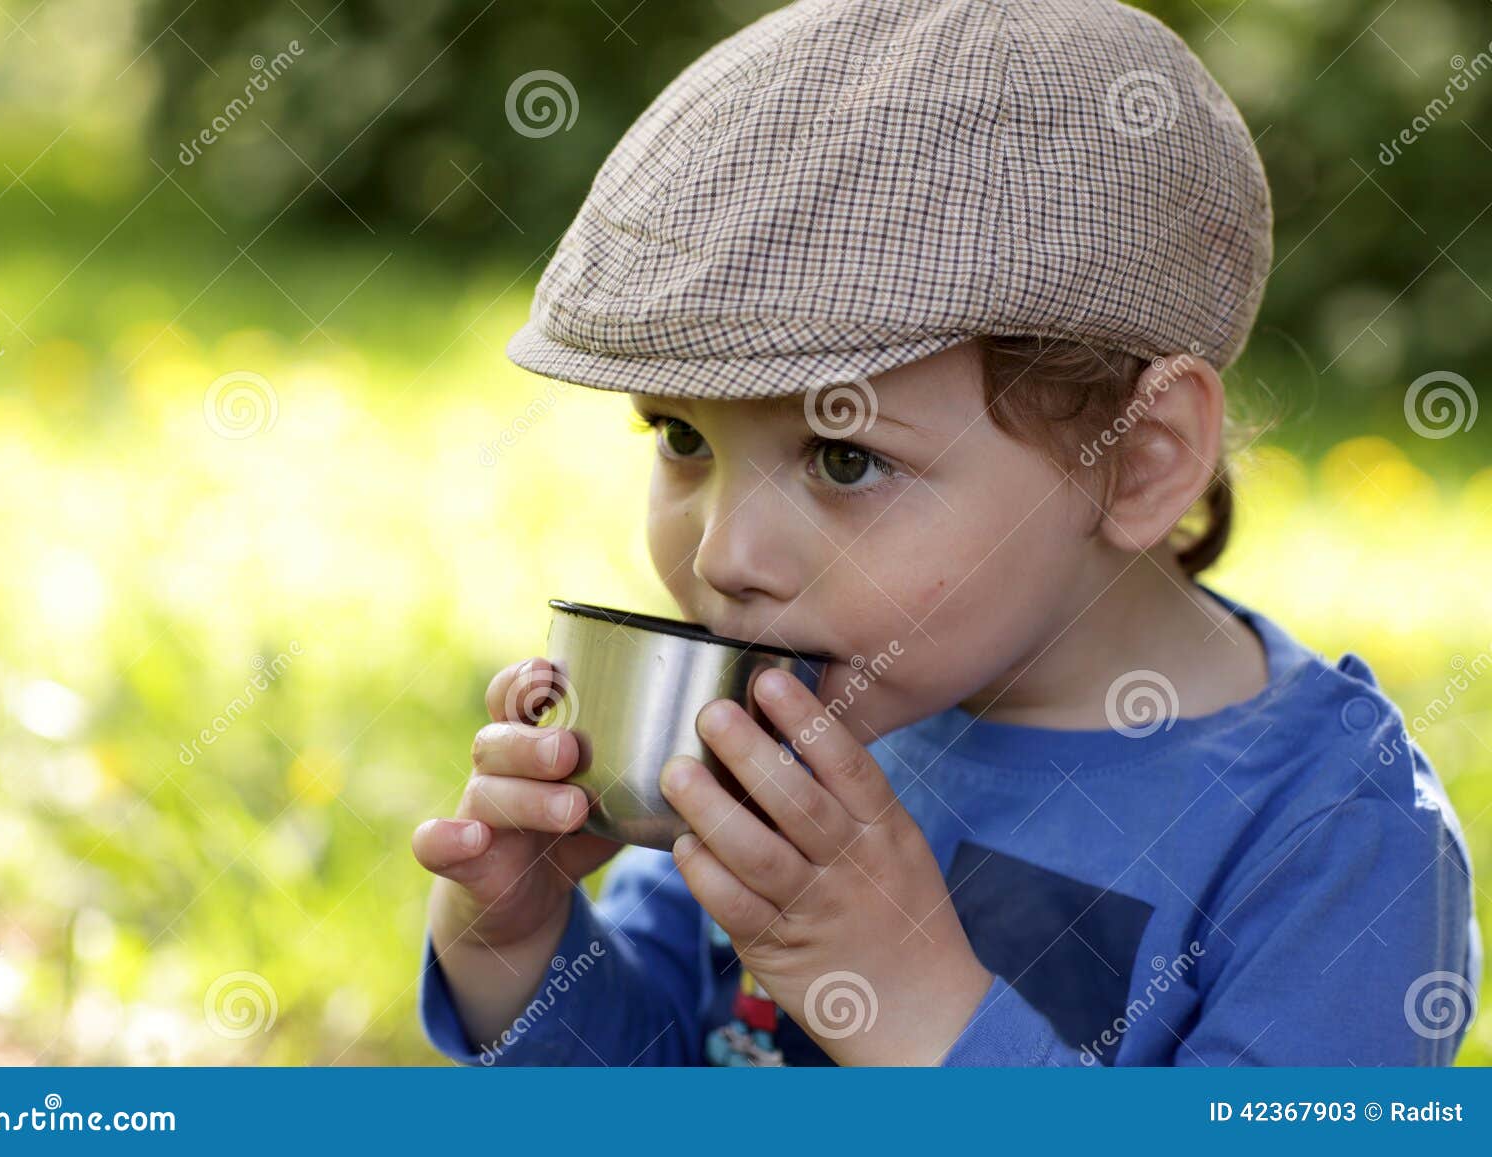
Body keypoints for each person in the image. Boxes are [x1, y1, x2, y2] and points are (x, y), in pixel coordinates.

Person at [412, 0, 1481, 1065]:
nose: (722, 556)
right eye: (682, 434)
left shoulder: (1333, 842)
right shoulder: (787, 735)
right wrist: (513, 942)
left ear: (1139, 457)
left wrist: (910, 1000)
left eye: (843, 458)